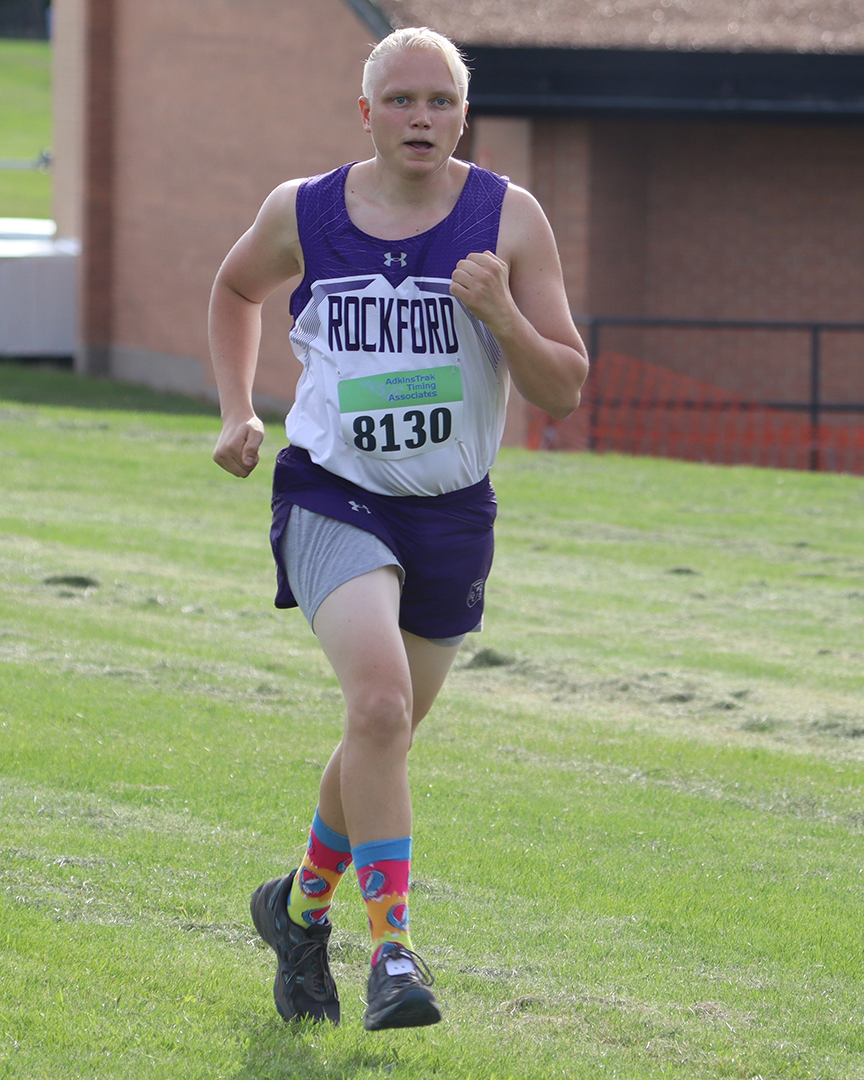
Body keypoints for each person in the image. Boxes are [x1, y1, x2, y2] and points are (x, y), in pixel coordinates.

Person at [208, 27, 588, 1030]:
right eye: (402, 100)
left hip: (452, 514)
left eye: (441, 101)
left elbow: (564, 386)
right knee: (378, 706)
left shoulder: (510, 217)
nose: (422, 118)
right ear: (365, 111)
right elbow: (235, 289)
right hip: (332, 493)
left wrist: (503, 315)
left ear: (464, 115)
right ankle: (394, 953)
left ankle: (297, 912)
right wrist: (237, 409)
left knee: (384, 732)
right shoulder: (303, 210)